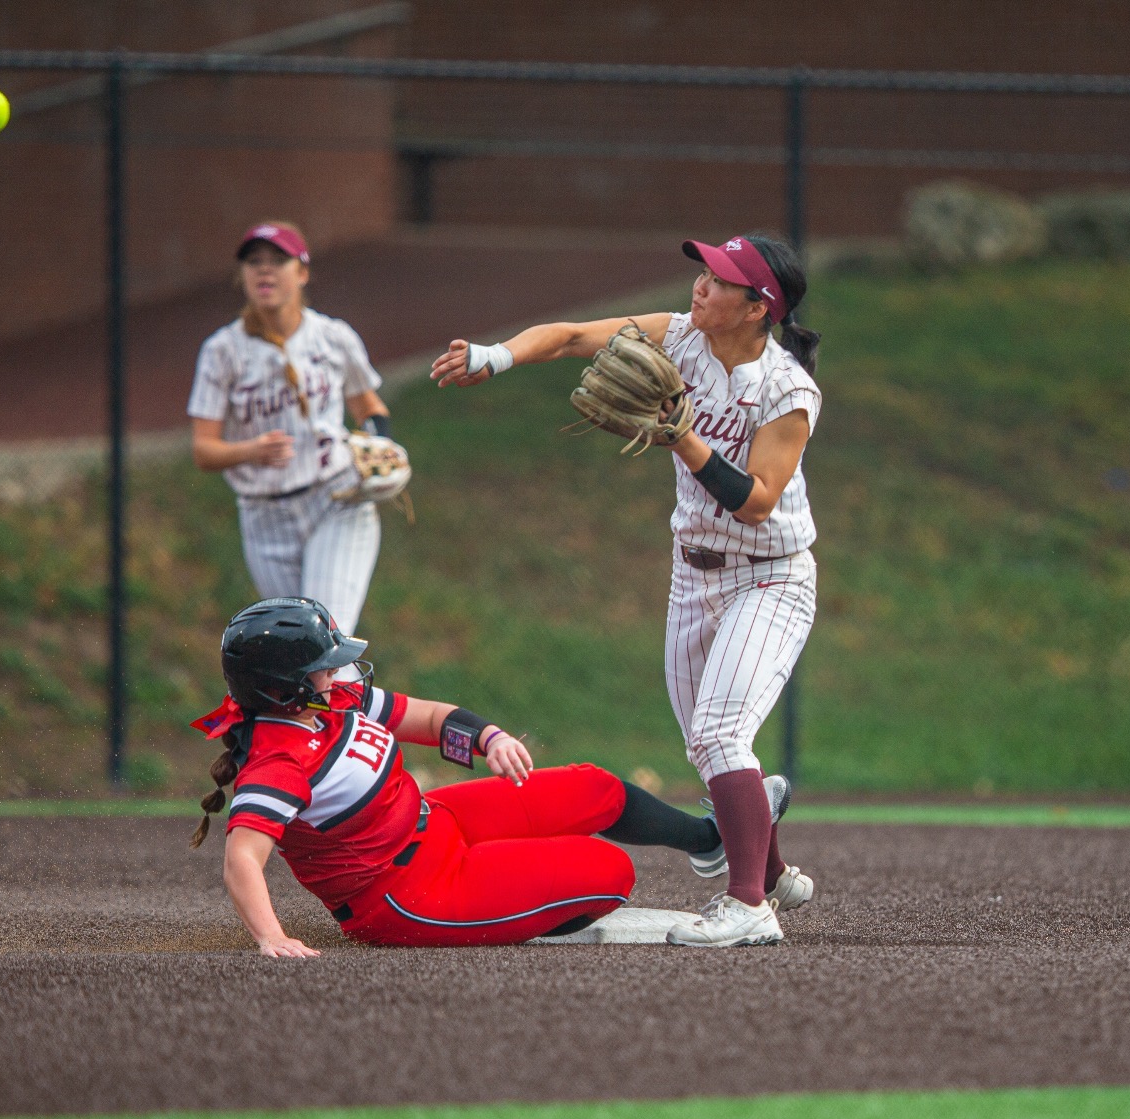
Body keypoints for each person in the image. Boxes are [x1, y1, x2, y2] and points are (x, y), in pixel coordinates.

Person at [430, 233, 822, 948]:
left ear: (757, 306)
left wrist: (683, 439)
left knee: (720, 734)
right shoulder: (682, 338)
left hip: (769, 575)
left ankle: (747, 908)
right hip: (692, 573)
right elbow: (577, 335)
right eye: (702, 272)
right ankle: (768, 871)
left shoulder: (788, 390)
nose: (700, 286)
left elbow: (758, 500)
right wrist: (495, 357)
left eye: (719, 280)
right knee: (709, 749)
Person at [192, 597, 784, 954]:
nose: (336, 672)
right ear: (282, 688)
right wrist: (271, 936)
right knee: (608, 871)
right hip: (403, 893)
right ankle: (520, 907)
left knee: (593, 788)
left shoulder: (332, 701)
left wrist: (486, 737)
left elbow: (424, 716)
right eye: (321, 667)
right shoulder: (278, 761)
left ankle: (710, 843)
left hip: (435, 820)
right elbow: (243, 857)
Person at [188, 221, 393, 636]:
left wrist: (380, 445)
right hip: (265, 517)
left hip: (334, 498)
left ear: (302, 272)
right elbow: (203, 450)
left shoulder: (332, 337)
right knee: (295, 653)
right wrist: (249, 451)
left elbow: (368, 405)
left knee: (325, 641)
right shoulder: (223, 351)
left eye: (277, 261)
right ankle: (349, 703)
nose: (265, 270)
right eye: (253, 262)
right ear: (241, 275)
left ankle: (362, 703)